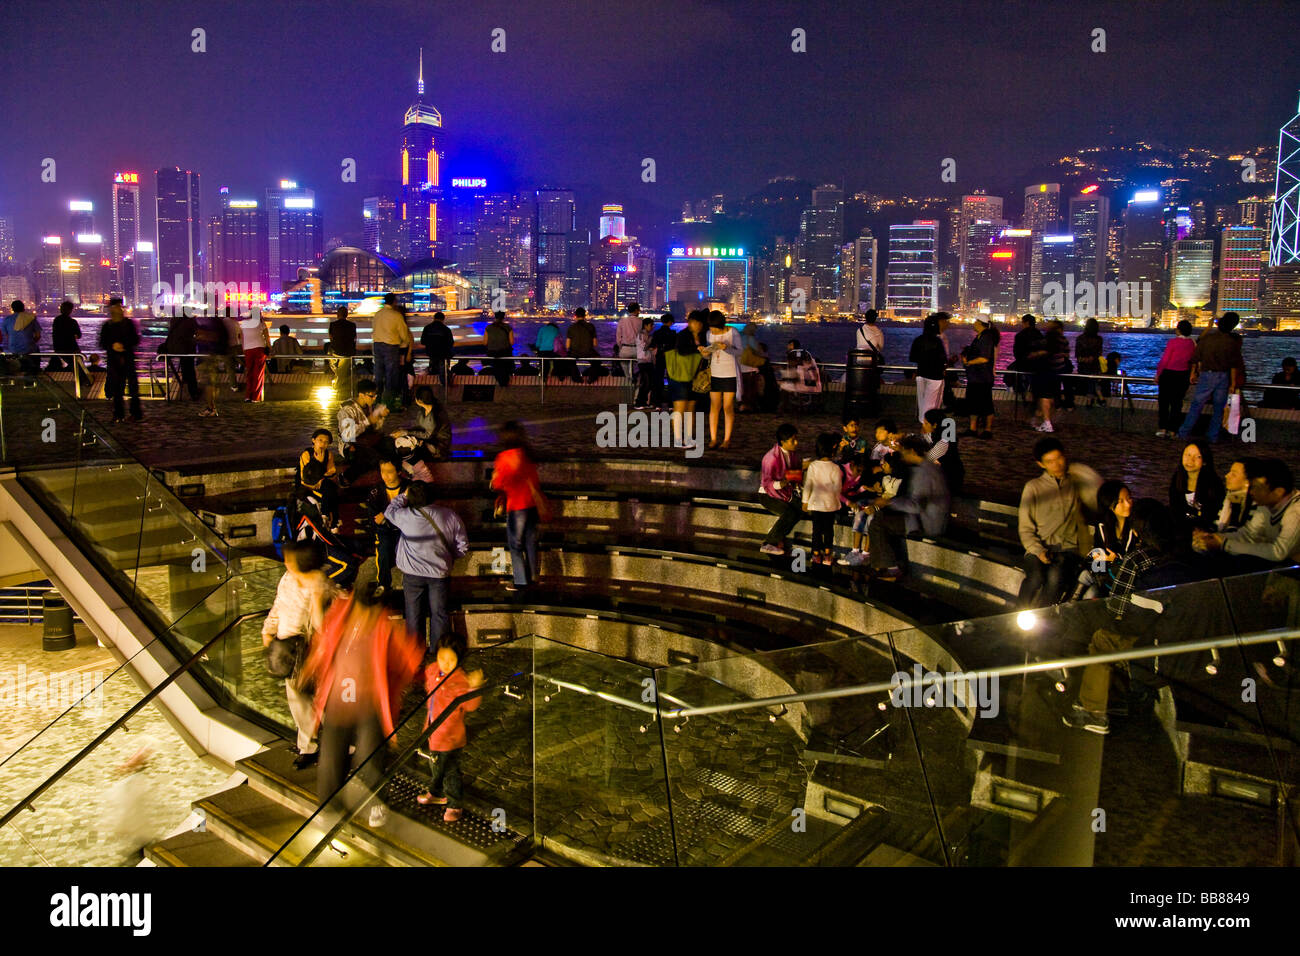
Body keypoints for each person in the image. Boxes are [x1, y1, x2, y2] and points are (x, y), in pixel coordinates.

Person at [301, 580, 423, 827]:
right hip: (339, 699)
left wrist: (398, 683)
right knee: (331, 756)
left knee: (370, 757)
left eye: (373, 612)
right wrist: (311, 667)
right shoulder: (340, 618)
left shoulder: (386, 631)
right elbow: (323, 645)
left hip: (369, 702)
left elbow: (408, 659)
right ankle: (329, 806)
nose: (368, 616)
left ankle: (378, 801)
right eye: (365, 609)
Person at [1063, 501, 1188, 735]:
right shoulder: (1182, 555)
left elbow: (1118, 607)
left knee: (1103, 637)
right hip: (1171, 629)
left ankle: (1093, 711)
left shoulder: (1137, 558)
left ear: (1139, 530)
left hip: (1149, 635)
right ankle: (1115, 699)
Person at [261, 541, 338, 770]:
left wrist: (316, 598)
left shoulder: (318, 583)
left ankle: (334, 742)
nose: (286, 562)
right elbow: (279, 604)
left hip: (309, 648)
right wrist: (269, 629)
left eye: (290, 559)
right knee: (299, 699)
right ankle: (309, 746)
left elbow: (320, 623)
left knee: (320, 696)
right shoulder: (287, 578)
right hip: (288, 646)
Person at [385, 480, 469, 650]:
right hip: (439, 574)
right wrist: (451, 558)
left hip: (412, 574)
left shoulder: (405, 516)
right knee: (439, 614)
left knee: (413, 615)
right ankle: (439, 652)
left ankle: (415, 652)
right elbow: (463, 546)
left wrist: (403, 495)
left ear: (411, 499)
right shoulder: (449, 515)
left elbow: (389, 511)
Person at [1017, 437, 1094, 608]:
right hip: (1037, 547)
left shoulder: (1075, 483)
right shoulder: (1033, 487)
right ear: (1041, 464)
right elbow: (1025, 528)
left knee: (1055, 576)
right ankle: (1015, 615)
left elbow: (1092, 501)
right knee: (1035, 577)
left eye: (1059, 458)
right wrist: (1038, 550)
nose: (1057, 464)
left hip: (1067, 549)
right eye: (1050, 462)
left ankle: (1042, 618)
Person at [416, 637, 485, 822]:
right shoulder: (432, 671)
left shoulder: (460, 681)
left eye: (451, 660)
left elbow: (470, 705)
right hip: (433, 732)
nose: (445, 664)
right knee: (436, 765)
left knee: (450, 772)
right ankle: (436, 793)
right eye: (442, 658)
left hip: (450, 737)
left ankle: (455, 804)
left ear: (459, 660)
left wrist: (474, 687)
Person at [864, 435, 950, 581]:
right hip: (929, 517)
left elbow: (916, 506)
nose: (902, 456)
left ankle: (891, 569)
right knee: (882, 517)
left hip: (927, 522)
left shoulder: (923, 472)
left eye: (903, 452)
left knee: (878, 523)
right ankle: (884, 565)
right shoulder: (928, 468)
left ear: (911, 451)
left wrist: (888, 503)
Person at [1194, 458, 1300, 569]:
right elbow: (1249, 534)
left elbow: (1278, 552)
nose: (1251, 492)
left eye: (1257, 488)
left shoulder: (1296, 512)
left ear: (1278, 491)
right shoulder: (1266, 504)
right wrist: (1213, 538)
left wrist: (1225, 545)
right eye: (1252, 486)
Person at [489, 421, 548, 591]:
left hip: (516, 506)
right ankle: (533, 576)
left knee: (515, 545)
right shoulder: (526, 454)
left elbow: (499, 484)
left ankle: (521, 581)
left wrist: (495, 478)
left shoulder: (504, 457)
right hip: (532, 505)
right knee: (530, 542)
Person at [1177, 312, 1244, 443]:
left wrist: (1193, 373)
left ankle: (1183, 432)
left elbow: (1195, 357)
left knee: (1196, 405)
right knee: (1218, 408)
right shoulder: (1231, 342)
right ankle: (1212, 436)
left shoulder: (1207, 339)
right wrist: (1233, 383)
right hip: (1223, 375)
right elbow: (1234, 365)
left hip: (1206, 374)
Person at [1071, 480, 1137, 600]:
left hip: (1126, 580)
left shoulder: (1136, 526)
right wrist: (1096, 560)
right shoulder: (1103, 526)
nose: (1128, 504)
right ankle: (1068, 606)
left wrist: (1116, 559)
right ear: (1109, 505)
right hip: (1107, 575)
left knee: (1091, 593)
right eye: (1121, 501)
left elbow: (1136, 559)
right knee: (1086, 576)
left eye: (1129, 498)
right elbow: (1099, 551)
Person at [364, 458, 409, 594]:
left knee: (411, 547)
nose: (385, 476)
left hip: (406, 530)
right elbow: (375, 519)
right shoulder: (375, 491)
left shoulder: (409, 488)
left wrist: (386, 517)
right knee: (383, 547)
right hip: (384, 531)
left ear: (399, 472)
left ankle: (410, 583)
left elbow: (411, 514)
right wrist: (390, 519)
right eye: (382, 471)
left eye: (389, 472)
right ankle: (383, 584)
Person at [759, 424, 804, 555]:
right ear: (783, 442)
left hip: (784, 492)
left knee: (801, 509)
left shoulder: (792, 454)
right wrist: (783, 482)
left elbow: (793, 473)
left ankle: (776, 532)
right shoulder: (771, 458)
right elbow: (767, 483)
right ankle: (768, 543)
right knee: (789, 513)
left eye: (796, 439)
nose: (796, 442)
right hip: (768, 494)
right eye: (793, 440)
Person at [802, 432, 844, 566]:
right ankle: (827, 554)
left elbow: (808, 485)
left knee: (817, 530)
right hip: (830, 504)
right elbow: (838, 488)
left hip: (816, 504)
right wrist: (836, 501)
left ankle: (816, 554)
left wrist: (805, 501)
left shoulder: (813, 466)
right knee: (828, 530)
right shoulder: (836, 468)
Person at [1169, 438, 1225, 539]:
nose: (1190, 460)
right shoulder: (1178, 477)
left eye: (1197, 456)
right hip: (1182, 526)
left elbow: (1211, 514)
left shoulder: (1213, 483)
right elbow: (1174, 506)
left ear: (1204, 461)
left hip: (1204, 529)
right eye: (1187, 455)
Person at [702, 311, 741, 448]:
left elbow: (740, 352)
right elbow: (709, 355)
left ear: (721, 325)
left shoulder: (733, 332)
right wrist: (705, 353)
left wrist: (727, 348)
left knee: (728, 407)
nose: (713, 331)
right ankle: (713, 439)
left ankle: (726, 439)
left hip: (730, 374)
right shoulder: (709, 334)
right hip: (715, 373)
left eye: (715, 328)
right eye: (711, 327)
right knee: (714, 407)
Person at [99, 298, 142, 422]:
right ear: (111, 309)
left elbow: (136, 340)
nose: (119, 309)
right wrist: (112, 345)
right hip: (114, 361)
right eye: (117, 306)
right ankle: (119, 414)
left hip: (127, 358)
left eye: (120, 307)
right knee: (117, 389)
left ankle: (135, 413)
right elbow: (102, 342)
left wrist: (124, 345)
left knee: (133, 388)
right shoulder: (107, 326)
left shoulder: (128, 324)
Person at [337, 379, 388, 480]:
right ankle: (345, 477)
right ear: (361, 395)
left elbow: (374, 428)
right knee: (374, 458)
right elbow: (347, 435)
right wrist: (368, 421)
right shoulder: (348, 409)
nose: (374, 399)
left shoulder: (368, 406)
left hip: (367, 440)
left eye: (375, 395)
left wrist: (380, 417)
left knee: (390, 446)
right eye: (371, 396)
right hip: (351, 445)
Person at [1154, 319, 1196, 437]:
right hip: (1183, 376)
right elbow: (1193, 360)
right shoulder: (1192, 343)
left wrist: (1158, 374)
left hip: (1168, 375)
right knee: (1177, 404)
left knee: (1164, 403)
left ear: (1178, 330)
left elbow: (1165, 360)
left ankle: (1162, 428)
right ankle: (1173, 430)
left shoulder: (1173, 342)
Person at [959, 317, 998, 438]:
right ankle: (973, 428)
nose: (973, 323)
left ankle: (987, 430)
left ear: (981, 324)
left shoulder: (986, 337)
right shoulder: (981, 336)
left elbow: (984, 358)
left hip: (982, 377)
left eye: (975, 321)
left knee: (986, 404)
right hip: (976, 377)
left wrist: (968, 362)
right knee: (974, 403)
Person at [372, 293, 413, 410]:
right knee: (391, 375)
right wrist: (404, 344)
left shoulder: (377, 314)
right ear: (394, 302)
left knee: (379, 373)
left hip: (377, 345)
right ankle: (389, 402)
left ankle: (377, 399)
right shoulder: (396, 315)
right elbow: (404, 334)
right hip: (391, 346)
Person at [297, 428, 341, 529]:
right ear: (313, 440)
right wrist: (317, 462)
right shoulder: (307, 455)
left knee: (330, 488)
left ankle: (330, 519)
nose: (323, 444)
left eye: (326, 442)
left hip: (323, 485)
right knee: (330, 490)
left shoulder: (328, 455)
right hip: (308, 487)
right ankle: (331, 520)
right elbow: (306, 477)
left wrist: (321, 479)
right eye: (320, 440)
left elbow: (332, 472)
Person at [397, 384, 453, 461]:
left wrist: (407, 432)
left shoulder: (436, 414)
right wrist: (404, 431)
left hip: (438, 445)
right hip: (427, 440)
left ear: (419, 400)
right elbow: (418, 427)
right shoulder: (422, 410)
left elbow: (428, 435)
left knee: (408, 448)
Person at [665, 329, 701, 446]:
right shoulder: (685, 346)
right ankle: (679, 439)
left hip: (690, 377)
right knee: (680, 409)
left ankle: (686, 438)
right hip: (682, 377)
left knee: (689, 409)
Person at [909, 313, 947, 423]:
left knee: (922, 402)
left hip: (921, 374)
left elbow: (913, 357)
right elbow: (943, 359)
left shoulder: (918, 340)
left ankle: (922, 423)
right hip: (935, 375)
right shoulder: (937, 341)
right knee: (932, 404)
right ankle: (928, 428)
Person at [921, 408, 964, 495]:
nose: (923, 426)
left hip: (948, 480)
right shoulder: (935, 434)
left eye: (926, 423)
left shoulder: (944, 441)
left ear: (935, 425)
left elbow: (927, 458)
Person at [48, 301, 89, 390]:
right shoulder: (72, 322)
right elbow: (79, 335)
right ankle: (83, 381)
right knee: (78, 362)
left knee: (72, 363)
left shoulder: (56, 321)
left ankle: (82, 380)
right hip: (71, 347)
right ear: (70, 310)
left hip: (59, 348)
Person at [162, 307, 200, 400]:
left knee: (185, 367)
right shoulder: (191, 321)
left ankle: (184, 384)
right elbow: (196, 332)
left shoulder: (174, 319)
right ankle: (193, 392)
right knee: (190, 370)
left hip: (174, 349)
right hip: (186, 349)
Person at [1215, 456, 1257, 533]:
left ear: (1247, 482)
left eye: (1233, 474)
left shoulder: (1256, 506)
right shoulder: (1229, 498)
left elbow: (1242, 534)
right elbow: (1216, 522)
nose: (1226, 476)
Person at [1009, 313, 1042, 405]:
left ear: (1026, 323)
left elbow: (1016, 353)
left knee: (1011, 374)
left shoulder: (1020, 335)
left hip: (1023, 365)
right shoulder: (1039, 335)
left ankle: (1021, 395)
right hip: (1038, 366)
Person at [239, 307, 270, 402]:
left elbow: (241, 338)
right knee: (258, 374)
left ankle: (248, 396)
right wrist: (269, 349)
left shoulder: (244, 324)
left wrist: (243, 349)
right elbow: (267, 338)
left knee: (249, 373)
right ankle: (255, 397)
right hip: (260, 349)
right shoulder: (261, 323)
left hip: (247, 350)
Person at [2, 300, 40, 374]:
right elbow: (38, 336)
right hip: (29, 349)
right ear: (23, 308)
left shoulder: (6, 320)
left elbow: (7, 337)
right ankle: (36, 372)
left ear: (12, 309)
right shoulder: (31, 318)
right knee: (36, 353)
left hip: (13, 349)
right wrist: (30, 343)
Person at [1074, 318, 1105, 406]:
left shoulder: (1080, 338)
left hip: (1083, 366)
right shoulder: (1099, 339)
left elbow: (1077, 354)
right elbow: (1099, 353)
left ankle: (1089, 398)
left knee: (1091, 377)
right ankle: (1099, 395)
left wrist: (1084, 359)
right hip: (1095, 366)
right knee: (1093, 377)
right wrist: (1091, 358)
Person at [329, 306, 357, 396]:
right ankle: (338, 385)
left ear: (337, 315)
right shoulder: (352, 325)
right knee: (342, 369)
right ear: (346, 315)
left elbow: (331, 338)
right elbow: (354, 338)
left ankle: (337, 386)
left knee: (338, 368)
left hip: (336, 351)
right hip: (349, 352)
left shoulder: (332, 325)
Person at [566, 307, 600, 380]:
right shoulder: (591, 326)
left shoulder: (571, 327)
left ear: (575, 316)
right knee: (597, 361)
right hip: (588, 352)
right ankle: (592, 378)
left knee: (570, 361)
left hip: (574, 353)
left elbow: (567, 345)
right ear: (585, 316)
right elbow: (595, 344)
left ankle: (576, 378)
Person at [650, 313, 676, 408]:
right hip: (670, 357)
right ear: (670, 322)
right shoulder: (673, 333)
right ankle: (671, 403)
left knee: (658, 379)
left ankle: (657, 403)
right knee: (671, 380)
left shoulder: (656, 333)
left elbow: (652, 346)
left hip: (660, 356)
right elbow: (675, 346)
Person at [421, 310, 454, 382]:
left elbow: (423, 341)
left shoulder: (427, 328)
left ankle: (434, 387)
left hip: (431, 354)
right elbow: (451, 342)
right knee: (443, 373)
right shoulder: (446, 329)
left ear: (434, 318)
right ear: (443, 319)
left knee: (433, 372)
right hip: (443, 355)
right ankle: (444, 385)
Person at [484, 310, 514, 386]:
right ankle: (504, 384)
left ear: (495, 317)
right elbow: (511, 342)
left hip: (492, 353)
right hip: (505, 353)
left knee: (496, 369)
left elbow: (484, 342)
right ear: (503, 318)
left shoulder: (488, 328)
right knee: (505, 369)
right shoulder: (508, 327)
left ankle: (498, 383)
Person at [633, 315, 658, 409]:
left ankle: (643, 402)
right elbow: (644, 347)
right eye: (651, 325)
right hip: (642, 361)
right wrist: (651, 342)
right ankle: (638, 402)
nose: (652, 327)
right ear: (646, 325)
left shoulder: (648, 336)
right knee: (645, 382)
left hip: (649, 361)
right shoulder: (641, 335)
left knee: (649, 382)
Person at [616, 301, 642, 368]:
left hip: (625, 349)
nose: (639, 312)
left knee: (626, 371)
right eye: (639, 310)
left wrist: (621, 347)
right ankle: (636, 377)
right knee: (642, 367)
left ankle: (628, 377)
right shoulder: (641, 322)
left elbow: (618, 338)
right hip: (637, 350)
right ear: (636, 310)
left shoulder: (622, 321)